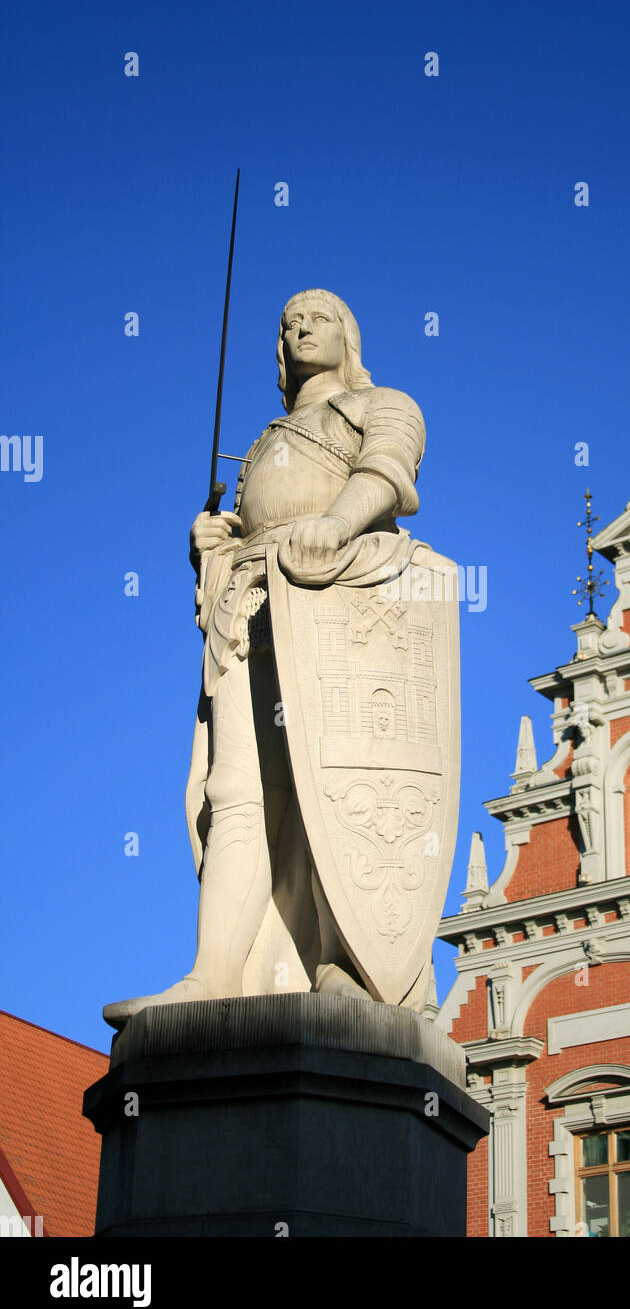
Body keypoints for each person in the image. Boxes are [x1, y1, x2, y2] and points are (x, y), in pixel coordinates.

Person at [104, 289, 433, 1028]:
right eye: (289, 322)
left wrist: (335, 524)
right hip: (252, 602)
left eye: (318, 316)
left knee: (336, 786)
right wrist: (214, 548)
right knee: (236, 793)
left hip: (337, 604)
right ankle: (213, 973)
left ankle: (349, 965)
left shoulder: (384, 404)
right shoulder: (263, 440)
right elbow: (255, 517)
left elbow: (387, 473)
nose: (300, 326)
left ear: (348, 332)